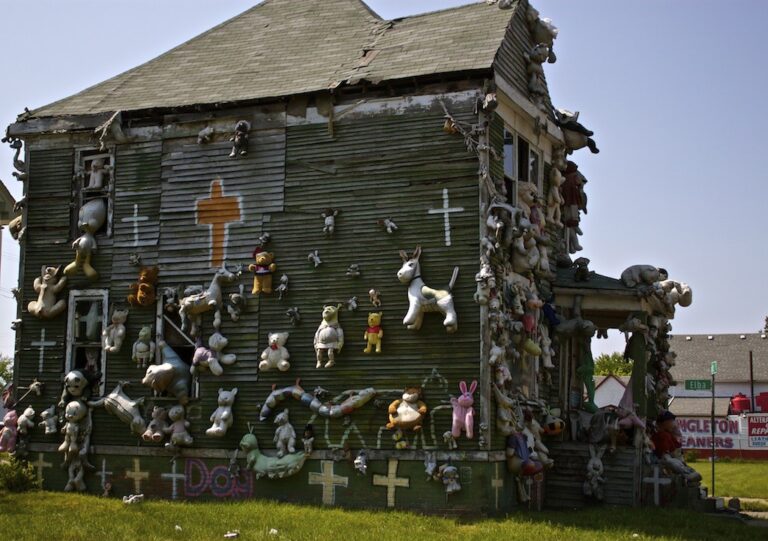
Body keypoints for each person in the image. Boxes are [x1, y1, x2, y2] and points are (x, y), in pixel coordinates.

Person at [652, 411, 701, 484]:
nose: (673, 423)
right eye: (671, 421)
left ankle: (689, 473)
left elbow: (677, 448)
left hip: (673, 458)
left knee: (677, 462)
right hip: (662, 459)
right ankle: (687, 474)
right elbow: (664, 454)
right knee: (670, 461)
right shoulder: (662, 435)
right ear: (665, 422)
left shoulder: (669, 434)